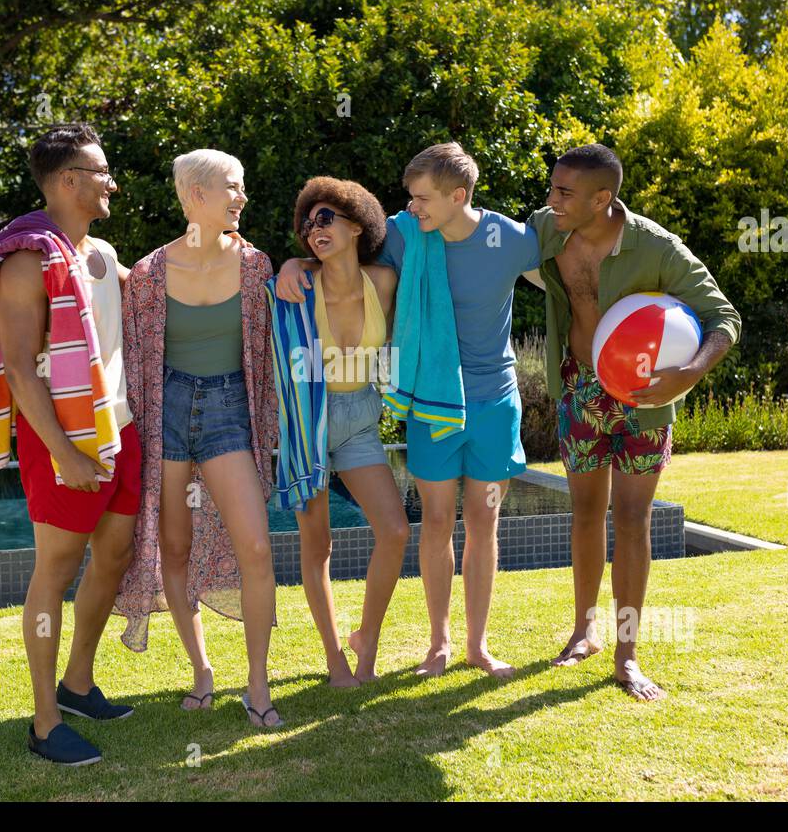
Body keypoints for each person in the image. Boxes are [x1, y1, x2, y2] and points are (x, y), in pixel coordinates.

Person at [277, 143, 542, 679]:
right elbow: (341, 256)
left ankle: (478, 645)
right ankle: (438, 644)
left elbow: (565, 275)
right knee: (437, 520)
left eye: (421, 198)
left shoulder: (509, 239)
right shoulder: (403, 234)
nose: (411, 206)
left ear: (458, 195)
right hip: (430, 400)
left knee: (484, 520)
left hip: (495, 399)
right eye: (410, 197)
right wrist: (294, 260)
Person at [528, 144, 742, 701]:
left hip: (646, 399)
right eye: (552, 188)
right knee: (584, 515)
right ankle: (583, 632)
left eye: (564, 192)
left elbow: (724, 317)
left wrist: (688, 373)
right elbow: (485, 245)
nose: (551, 200)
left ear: (603, 199)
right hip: (579, 389)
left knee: (632, 519)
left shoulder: (657, 247)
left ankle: (627, 655)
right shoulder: (548, 229)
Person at [0, 123, 141, 766]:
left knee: (114, 556)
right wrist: (65, 453)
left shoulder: (100, 253)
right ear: (70, 182)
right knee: (56, 571)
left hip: (121, 429)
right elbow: (16, 369)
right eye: (102, 172)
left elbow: (157, 284)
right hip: (61, 440)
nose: (112, 182)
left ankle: (78, 684)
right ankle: (43, 722)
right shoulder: (27, 260)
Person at [115, 149, 284, 728]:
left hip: (229, 408)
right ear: (194, 198)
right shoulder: (149, 273)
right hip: (165, 408)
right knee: (176, 548)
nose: (241, 199)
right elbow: (128, 349)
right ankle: (202, 670)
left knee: (256, 547)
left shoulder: (259, 266)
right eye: (231, 189)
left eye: (242, 189)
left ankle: (258, 682)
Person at [274, 177, 407, 685]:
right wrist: (292, 263)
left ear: (357, 225)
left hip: (358, 420)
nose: (314, 230)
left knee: (394, 530)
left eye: (326, 218)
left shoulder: (383, 283)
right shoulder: (298, 284)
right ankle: (334, 658)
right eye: (308, 224)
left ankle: (366, 638)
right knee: (318, 545)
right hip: (308, 420)